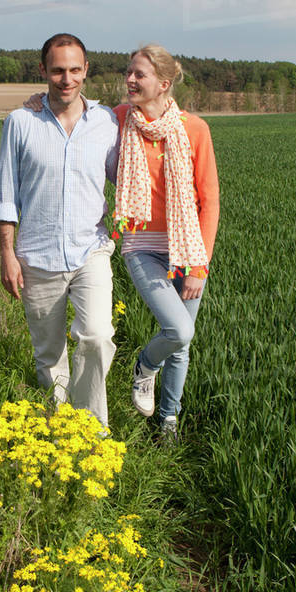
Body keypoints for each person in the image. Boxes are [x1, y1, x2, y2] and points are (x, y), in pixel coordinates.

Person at [0, 33, 120, 427]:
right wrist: (7, 254)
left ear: (87, 71)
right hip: (38, 254)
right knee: (49, 353)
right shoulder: (20, 122)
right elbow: (6, 193)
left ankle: (92, 428)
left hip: (91, 249)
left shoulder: (107, 121)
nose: (67, 79)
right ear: (44, 72)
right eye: (58, 70)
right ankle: (61, 421)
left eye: (75, 70)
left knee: (97, 336)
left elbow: (125, 178)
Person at [113, 44, 219, 436]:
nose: (130, 80)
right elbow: (76, 111)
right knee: (179, 330)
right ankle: (145, 365)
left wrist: (199, 265)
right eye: (129, 72)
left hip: (187, 248)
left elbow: (209, 201)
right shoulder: (120, 119)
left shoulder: (194, 129)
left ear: (164, 83)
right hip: (142, 244)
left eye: (139, 74)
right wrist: (39, 100)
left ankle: (168, 419)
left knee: (182, 344)